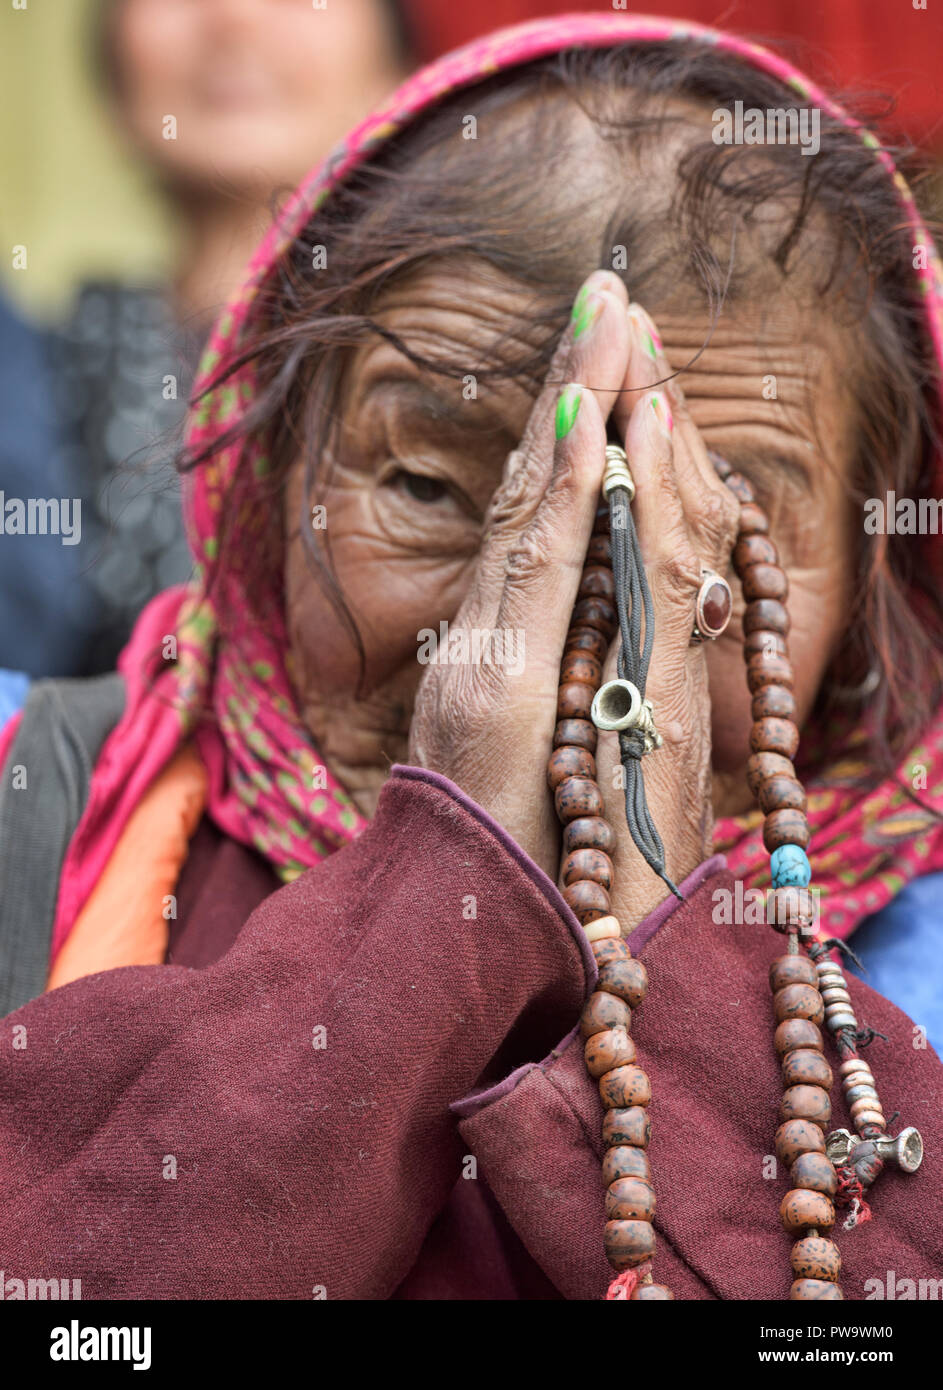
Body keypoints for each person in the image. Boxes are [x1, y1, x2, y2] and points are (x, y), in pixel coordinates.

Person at [1, 12, 942, 1300]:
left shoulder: (918, 957)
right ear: (271, 497)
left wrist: (665, 926)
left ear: (876, 619)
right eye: (429, 488)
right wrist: (448, 893)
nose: (549, 638)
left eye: (707, 533)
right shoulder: (41, 797)